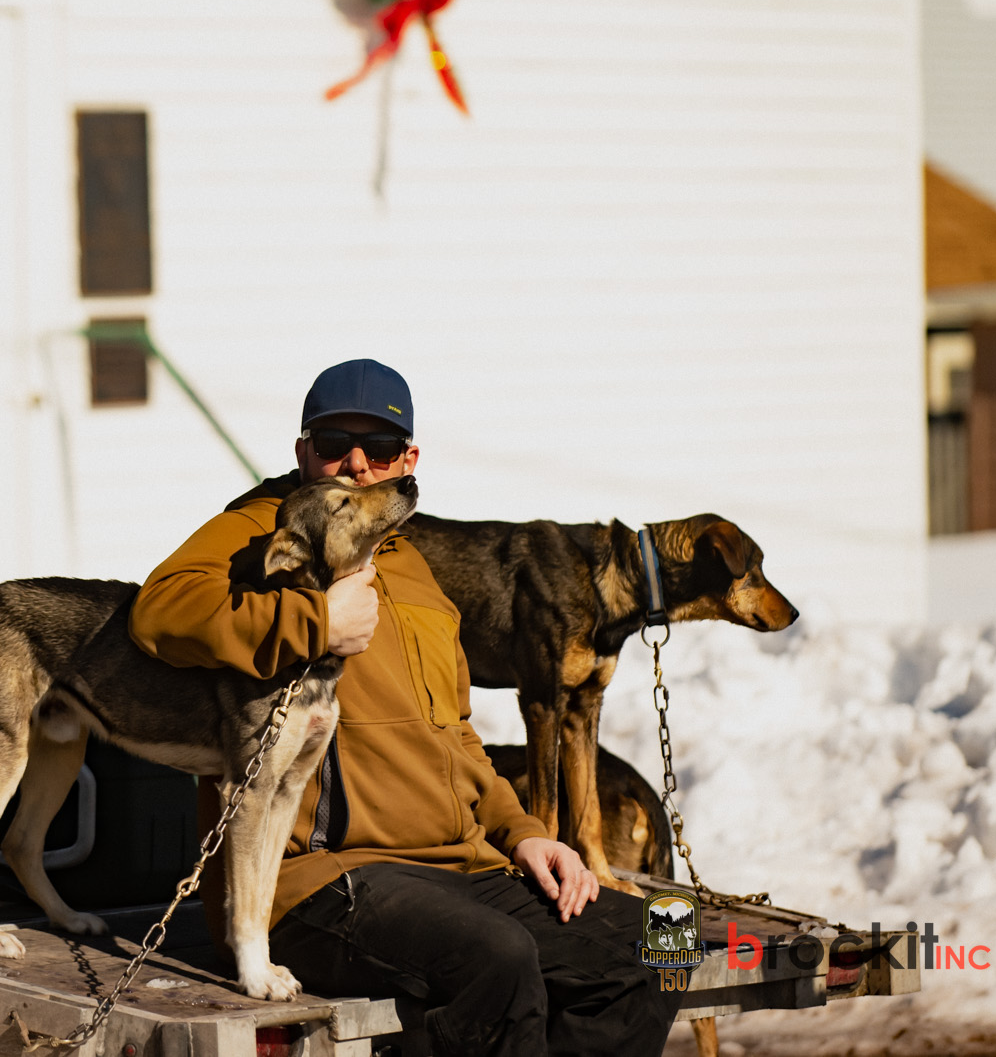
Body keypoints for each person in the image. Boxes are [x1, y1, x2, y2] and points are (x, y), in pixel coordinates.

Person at [130, 359, 684, 1057]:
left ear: (407, 460)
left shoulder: (415, 566)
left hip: (457, 867)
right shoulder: (263, 527)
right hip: (325, 881)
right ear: (303, 451)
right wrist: (312, 623)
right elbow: (157, 610)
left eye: (381, 448)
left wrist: (523, 831)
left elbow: (454, 732)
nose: (356, 463)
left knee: (669, 933)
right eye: (334, 443)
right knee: (498, 957)